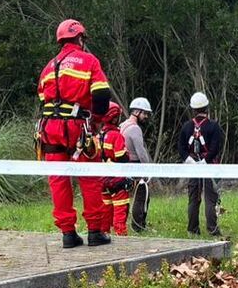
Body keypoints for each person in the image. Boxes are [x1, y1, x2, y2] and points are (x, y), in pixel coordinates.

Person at [37, 19, 113, 248]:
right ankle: (95, 231)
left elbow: (42, 99)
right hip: (78, 127)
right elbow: (102, 95)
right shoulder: (88, 61)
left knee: (58, 179)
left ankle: (68, 234)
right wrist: (96, 120)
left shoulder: (48, 67)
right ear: (80, 38)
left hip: (49, 129)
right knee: (89, 177)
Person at [178, 92, 224, 236]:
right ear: (207, 107)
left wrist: (191, 162)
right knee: (210, 199)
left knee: (193, 199)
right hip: (209, 167)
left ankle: (193, 229)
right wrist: (204, 162)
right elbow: (215, 148)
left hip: (193, 167)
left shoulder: (186, 127)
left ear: (193, 109)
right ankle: (212, 229)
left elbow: (181, 148)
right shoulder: (213, 126)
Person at [95, 102, 134, 236]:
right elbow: (121, 157)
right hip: (116, 180)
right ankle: (121, 238)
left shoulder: (99, 135)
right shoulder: (116, 135)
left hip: (102, 180)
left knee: (105, 212)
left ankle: (103, 236)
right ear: (114, 118)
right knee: (120, 211)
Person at [121, 97, 154, 233]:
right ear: (136, 112)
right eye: (144, 113)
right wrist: (148, 169)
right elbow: (141, 152)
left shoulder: (123, 125)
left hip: (126, 164)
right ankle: (138, 226)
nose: (146, 117)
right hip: (136, 165)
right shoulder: (135, 129)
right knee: (141, 196)